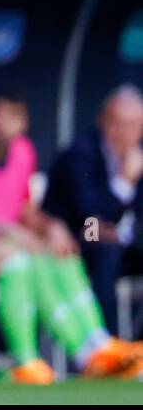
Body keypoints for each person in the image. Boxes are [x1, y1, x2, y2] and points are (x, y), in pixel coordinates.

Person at [0, 91, 143, 379]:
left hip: (3, 243)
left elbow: (22, 209)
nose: (3, 124)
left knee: (61, 252)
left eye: (12, 116)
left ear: (24, 121)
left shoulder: (23, 152)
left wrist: (52, 226)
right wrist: (5, 229)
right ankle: (26, 360)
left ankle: (95, 347)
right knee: (21, 260)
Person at [44, 84, 143, 335]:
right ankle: (104, 347)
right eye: (116, 123)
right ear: (101, 121)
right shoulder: (80, 153)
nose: (124, 133)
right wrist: (123, 182)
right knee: (104, 250)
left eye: (133, 125)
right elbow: (88, 217)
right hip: (75, 245)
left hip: (126, 246)